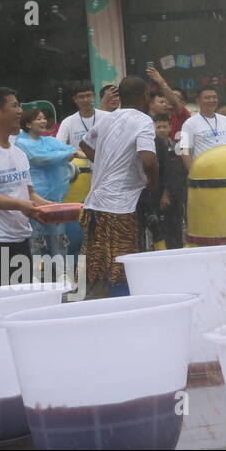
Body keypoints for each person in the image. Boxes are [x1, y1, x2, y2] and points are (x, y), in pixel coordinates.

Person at [78, 78, 159, 298]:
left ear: (120, 97)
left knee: (98, 261)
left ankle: (94, 303)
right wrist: (152, 180)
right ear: (145, 96)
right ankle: (123, 305)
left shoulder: (107, 119)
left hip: (96, 202)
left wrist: (104, 163)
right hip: (121, 205)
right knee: (123, 261)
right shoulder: (143, 121)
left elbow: (84, 143)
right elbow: (148, 159)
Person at [0, 88, 51, 284]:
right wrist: (22, 206)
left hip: (20, 239)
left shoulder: (18, 153)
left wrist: (50, 207)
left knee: (20, 302)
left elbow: (29, 194)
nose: (20, 110)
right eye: (14, 105)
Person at [14, 108, 78, 261]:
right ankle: (37, 276)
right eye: (38, 119)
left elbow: (70, 150)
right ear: (28, 124)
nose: (43, 121)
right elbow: (42, 158)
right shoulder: (22, 143)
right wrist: (67, 155)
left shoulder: (48, 141)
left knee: (59, 237)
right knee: (36, 238)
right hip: (35, 198)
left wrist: (70, 153)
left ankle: (62, 274)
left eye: (44, 118)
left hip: (55, 198)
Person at [139, 113, 187, 250]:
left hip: (176, 197)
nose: (161, 130)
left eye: (164, 126)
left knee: (176, 233)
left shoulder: (178, 148)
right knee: (157, 233)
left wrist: (170, 194)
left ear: (170, 127)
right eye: (157, 127)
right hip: (155, 197)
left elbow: (175, 173)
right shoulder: (150, 147)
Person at [177, 87, 226, 170]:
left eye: (214, 97)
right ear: (198, 101)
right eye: (207, 98)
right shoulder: (189, 124)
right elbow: (184, 151)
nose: (212, 100)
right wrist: (193, 173)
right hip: (205, 173)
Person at [55, 81, 106, 151]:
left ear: (94, 96)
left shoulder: (107, 117)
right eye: (81, 97)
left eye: (88, 95)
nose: (85, 100)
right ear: (75, 99)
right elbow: (59, 148)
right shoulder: (67, 122)